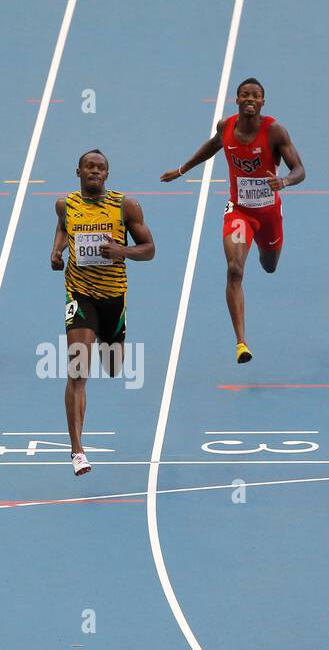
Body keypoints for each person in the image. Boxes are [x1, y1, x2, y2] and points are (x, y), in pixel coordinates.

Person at [161, 78, 304, 363]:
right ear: (236, 100)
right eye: (244, 95)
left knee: (269, 265)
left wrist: (285, 181)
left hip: (269, 213)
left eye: (256, 96)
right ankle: (241, 342)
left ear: (263, 102)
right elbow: (212, 146)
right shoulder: (226, 127)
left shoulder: (275, 131)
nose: (250, 99)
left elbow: (300, 169)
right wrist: (182, 169)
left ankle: (268, 251)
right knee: (235, 269)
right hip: (240, 211)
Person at [51, 150, 154, 475]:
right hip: (80, 296)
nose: (95, 171)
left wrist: (122, 250)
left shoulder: (126, 206)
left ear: (107, 174)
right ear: (78, 170)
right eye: (90, 167)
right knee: (78, 372)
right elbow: (64, 229)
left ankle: (111, 344)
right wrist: (57, 251)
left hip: (113, 297)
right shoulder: (65, 204)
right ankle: (77, 451)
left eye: (101, 168)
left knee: (111, 366)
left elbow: (149, 249)